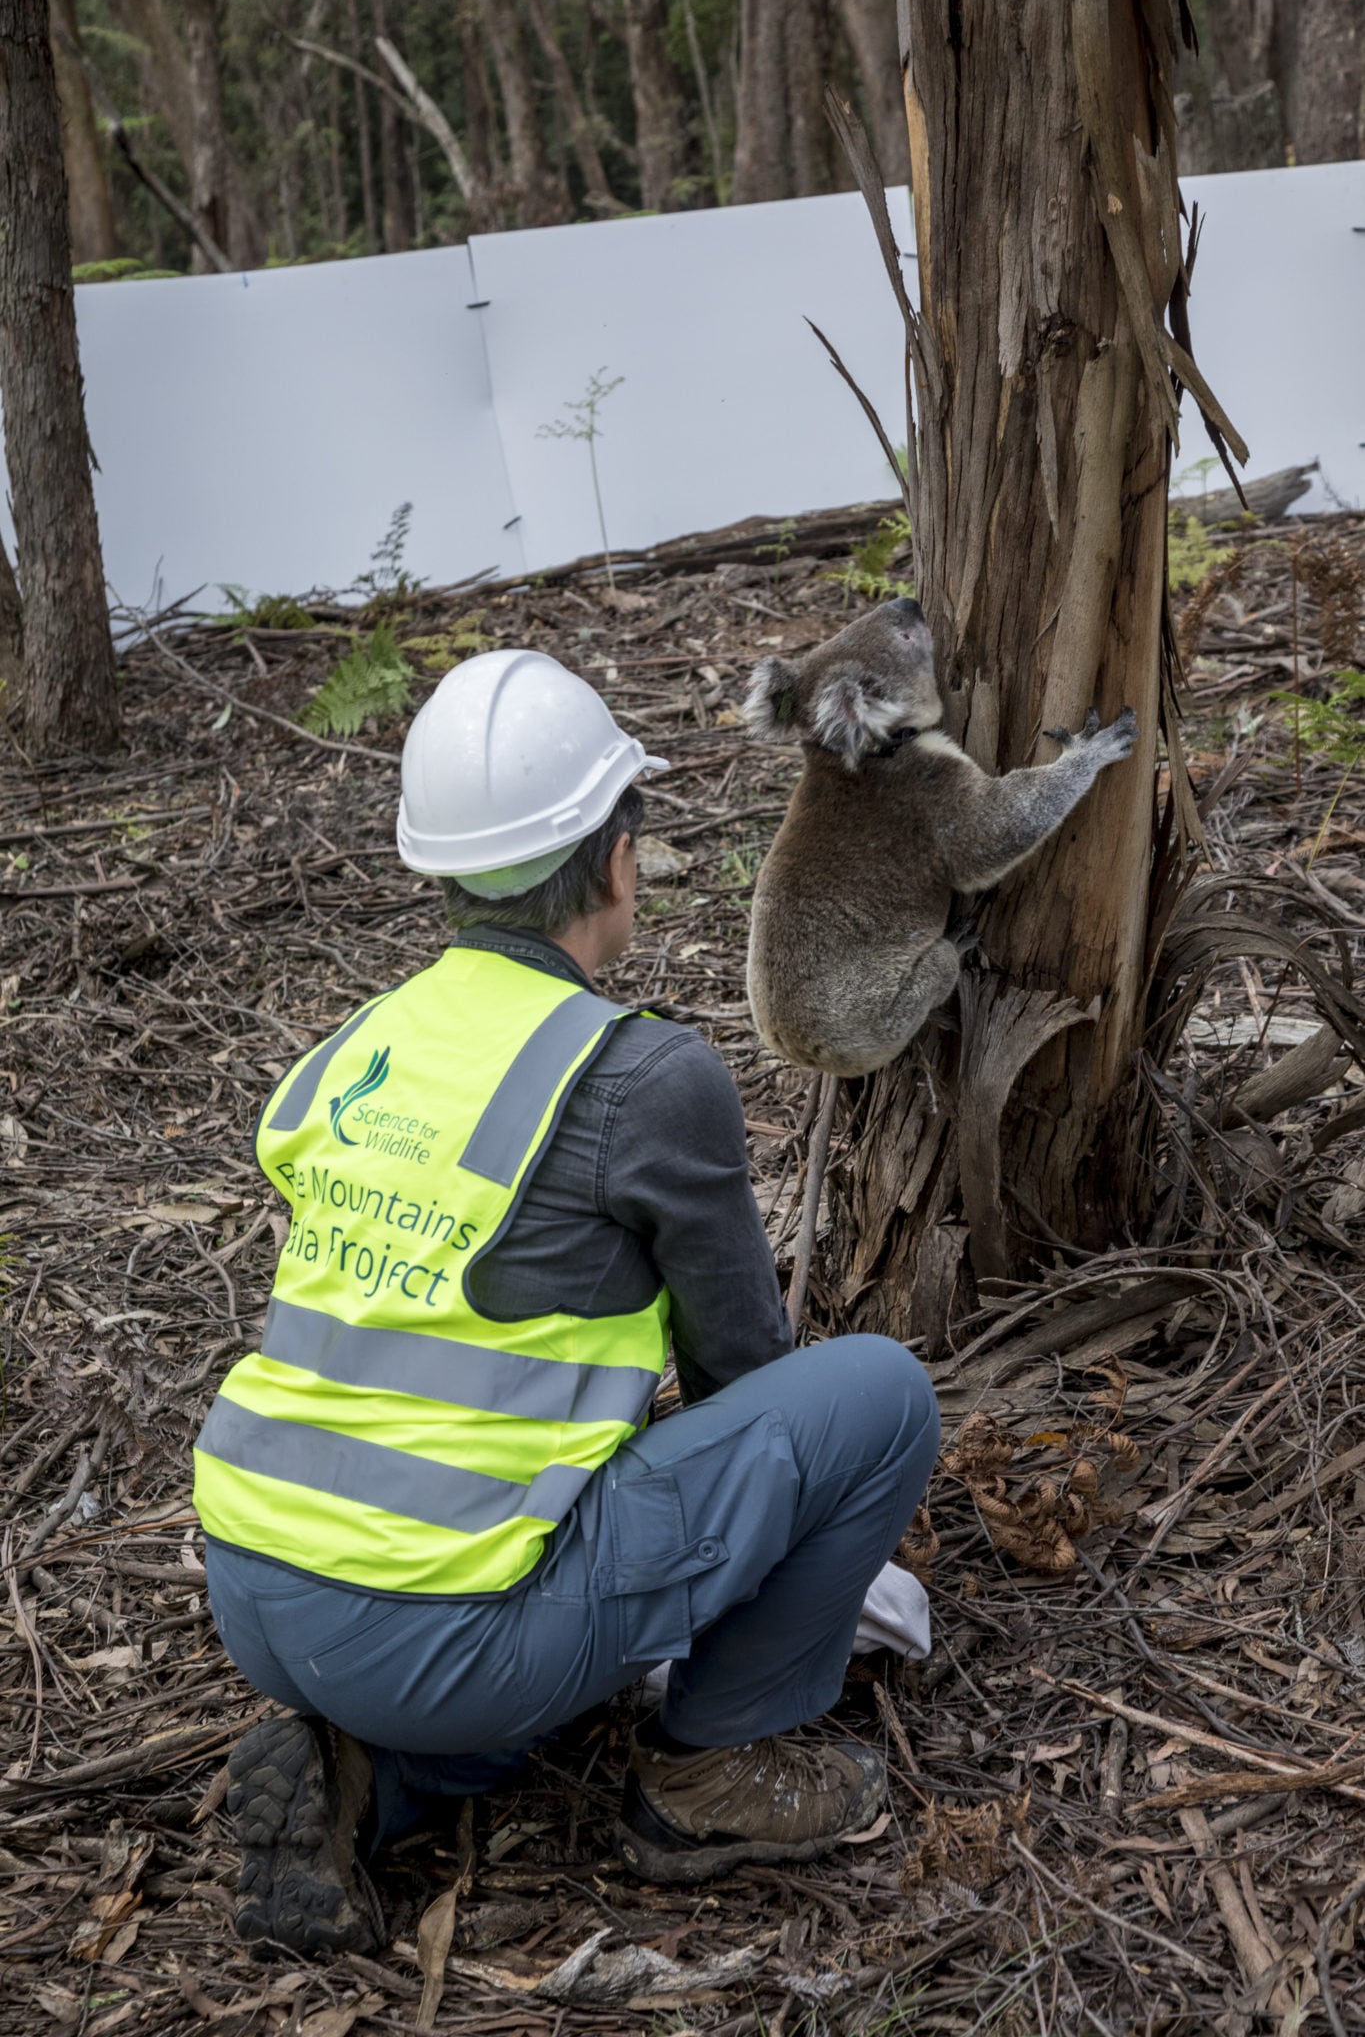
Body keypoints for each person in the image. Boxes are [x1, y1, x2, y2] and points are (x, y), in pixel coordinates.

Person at [193, 648, 941, 1959]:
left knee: (517, 1622)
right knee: (873, 1400)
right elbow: (743, 1381)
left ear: (439, 871)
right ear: (618, 860)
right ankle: (711, 1778)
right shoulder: (642, 1078)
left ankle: (370, 1783)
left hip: (259, 1588)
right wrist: (823, 1566)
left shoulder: (354, 1048)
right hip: (431, 1625)